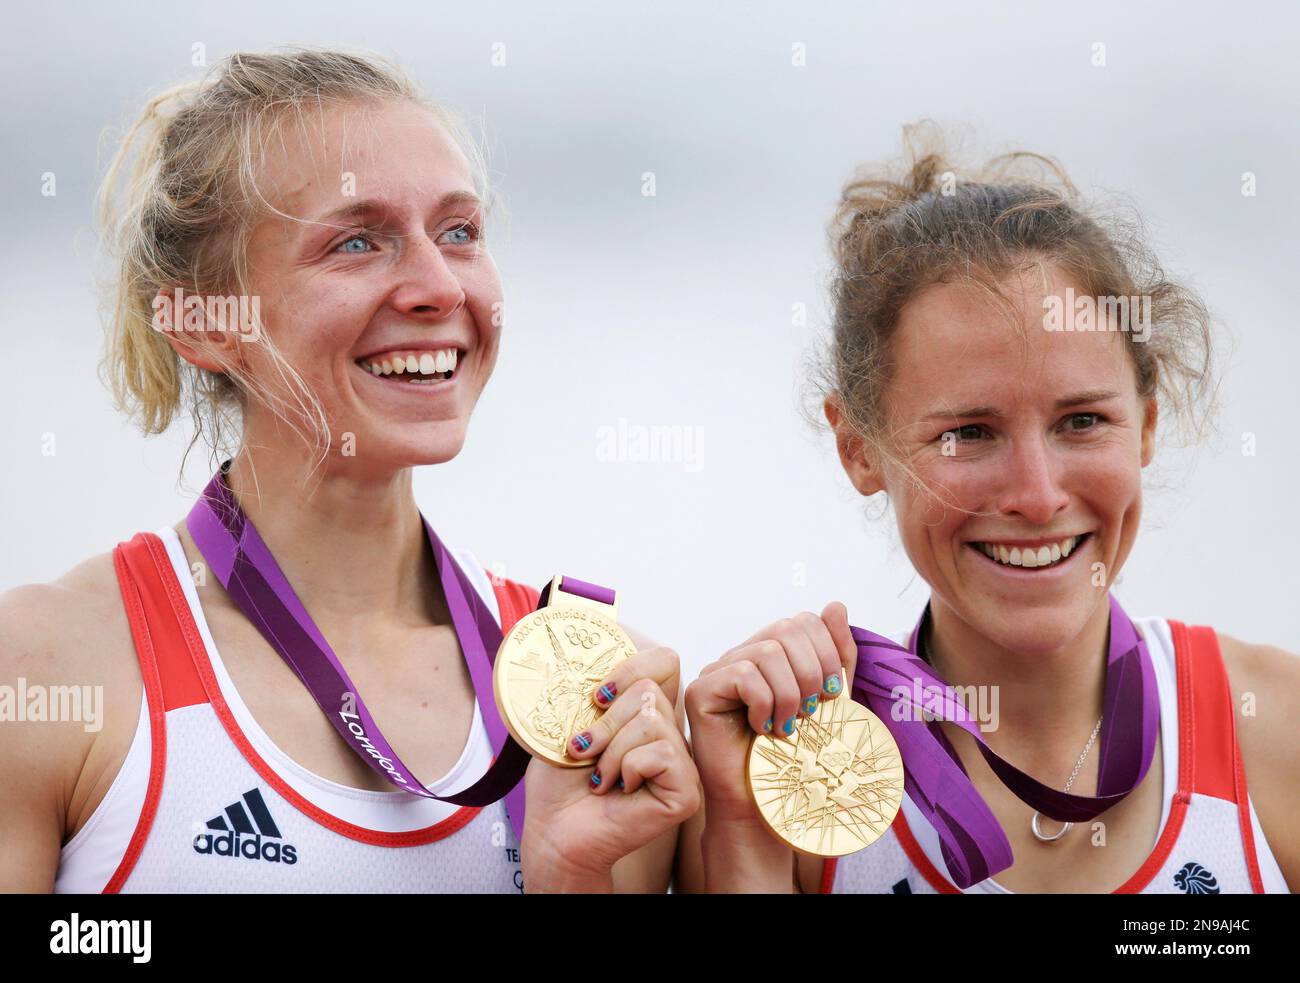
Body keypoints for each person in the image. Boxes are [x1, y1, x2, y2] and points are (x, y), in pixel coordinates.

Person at [0, 47, 698, 893]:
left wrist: (571, 878)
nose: (439, 286)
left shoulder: (597, 690)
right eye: (358, 241)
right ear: (203, 322)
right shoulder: (46, 669)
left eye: (459, 232)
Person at [680, 126, 1299, 894]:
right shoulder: (779, 790)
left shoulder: (1276, 731)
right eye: (968, 433)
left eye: (1082, 421)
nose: (1037, 496)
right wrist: (742, 837)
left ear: (1145, 422)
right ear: (859, 448)